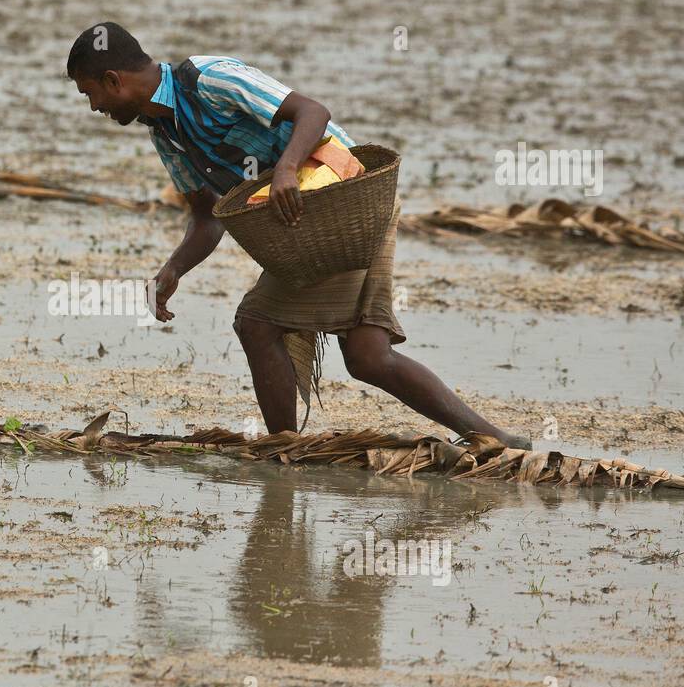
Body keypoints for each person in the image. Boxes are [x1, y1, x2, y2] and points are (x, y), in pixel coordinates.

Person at [66, 22, 530, 449]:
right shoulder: (165, 133)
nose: (95, 108)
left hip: (346, 198)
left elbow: (313, 111)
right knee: (367, 356)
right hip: (306, 224)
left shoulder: (210, 78)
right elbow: (208, 218)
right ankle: (493, 441)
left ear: (113, 80)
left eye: (91, 94)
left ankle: (284, 449)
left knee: (260, 323)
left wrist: (286, 168)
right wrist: (173, 269)